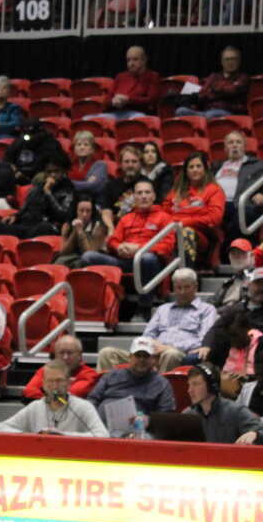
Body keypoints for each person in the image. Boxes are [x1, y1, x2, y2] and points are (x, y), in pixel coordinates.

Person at [80, 178, 175, 314]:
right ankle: (98, 305)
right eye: (139, 193)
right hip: (124, 260)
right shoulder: (126, 218)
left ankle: (144, 306)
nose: (143, 196)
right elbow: (113, 241)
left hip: (150, 262)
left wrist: (139, 248)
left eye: (147, 192)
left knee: (147, 258)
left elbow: (167, 246)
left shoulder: (164, 217)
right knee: (88, 257)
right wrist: (119, 247)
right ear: (134, 197)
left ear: (153, 196)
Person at [0, 360, 106, 437]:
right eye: (50, 381)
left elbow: (103, 435)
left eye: (59, 380)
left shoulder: (83, 406)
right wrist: (33, 436)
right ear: (43, 383)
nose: (54, 385)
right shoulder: (35, 407)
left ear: (68, 383)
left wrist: (64, 436)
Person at [88, 337, 176, 432]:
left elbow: (167, 417)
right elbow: (92, 400)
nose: (142, 360)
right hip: (101, 430)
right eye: (138, 355)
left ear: (153, 359)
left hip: (139, 434)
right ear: (130, 357)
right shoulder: (111, 376)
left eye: (146, 356)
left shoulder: (162, 384)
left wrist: (149, 420)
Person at [141, 267, 218, 371]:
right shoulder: (163, 309)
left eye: (187, 287)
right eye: (179, 287)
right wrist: (152, 346)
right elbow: (147, 335)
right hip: (155, 352)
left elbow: (204, 340)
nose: (182, 292)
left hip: (180, 354)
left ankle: (160, 387)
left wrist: (168, 347)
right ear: (173, 288)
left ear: (195, 287)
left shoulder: (207, 310)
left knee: (170, 354)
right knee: (111, 353)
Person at [179, 363, 263, 444]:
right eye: (189, 385)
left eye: (195, 384)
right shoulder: (188, 415)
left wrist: (255, 434)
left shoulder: (235, 411)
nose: (190, 390)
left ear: (212, 386)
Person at [164, 150, 224, 263]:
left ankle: (187, 275)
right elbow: (164, 212)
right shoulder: (176, 191)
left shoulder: (214, 190)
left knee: (186, 232)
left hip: (201, 235)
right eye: (191, 167)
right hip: (172, 230)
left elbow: (214, 218)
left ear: (205, 169)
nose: (195, 170)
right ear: (186, 171)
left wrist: (186, 222)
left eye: (198, 166)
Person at [22, 334, 101, 400]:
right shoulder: (46, 370)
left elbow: (72, 394)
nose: (65, 357)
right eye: (61, 353)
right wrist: (50, 401)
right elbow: (29, 390)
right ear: (55, 355)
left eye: (70, 353)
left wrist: (46, 394)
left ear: (80, 355)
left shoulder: (89, 374)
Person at [94, 46, 162, 120]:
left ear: (144, 60)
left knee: (136, 119)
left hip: (138, 113)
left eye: (135, 59)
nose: (131, 63)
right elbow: (106, 101)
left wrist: (128, 100)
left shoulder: (153, 76)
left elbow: (152, 100)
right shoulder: (120, 76)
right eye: (128, 60)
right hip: (116, 112)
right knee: (88, 119)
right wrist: (113, 101)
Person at [2, 119, 63, 186]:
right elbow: (7, 159)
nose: (30, 135)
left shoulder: (50, 143)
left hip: (41, 173)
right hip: (19, 172)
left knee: (40, 178)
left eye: (32, 132)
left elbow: (56, 164)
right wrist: (15, 171)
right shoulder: (19, 141)